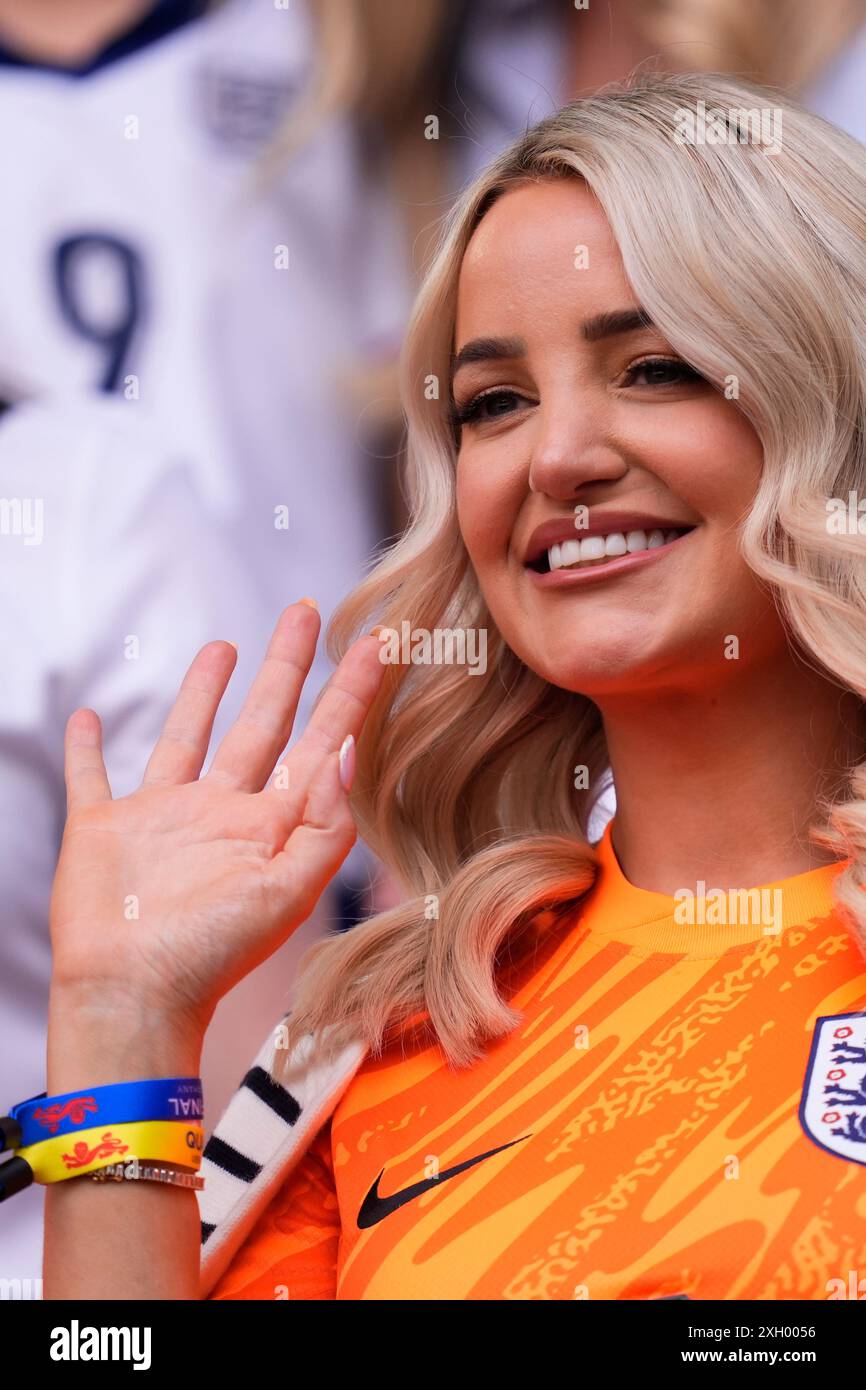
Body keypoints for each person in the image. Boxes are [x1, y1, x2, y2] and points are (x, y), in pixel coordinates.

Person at [29, 69, 866, 1299]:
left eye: (653, 367)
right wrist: (119, 1016)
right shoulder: (391, 1029)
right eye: (495, 403)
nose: (558, 457)